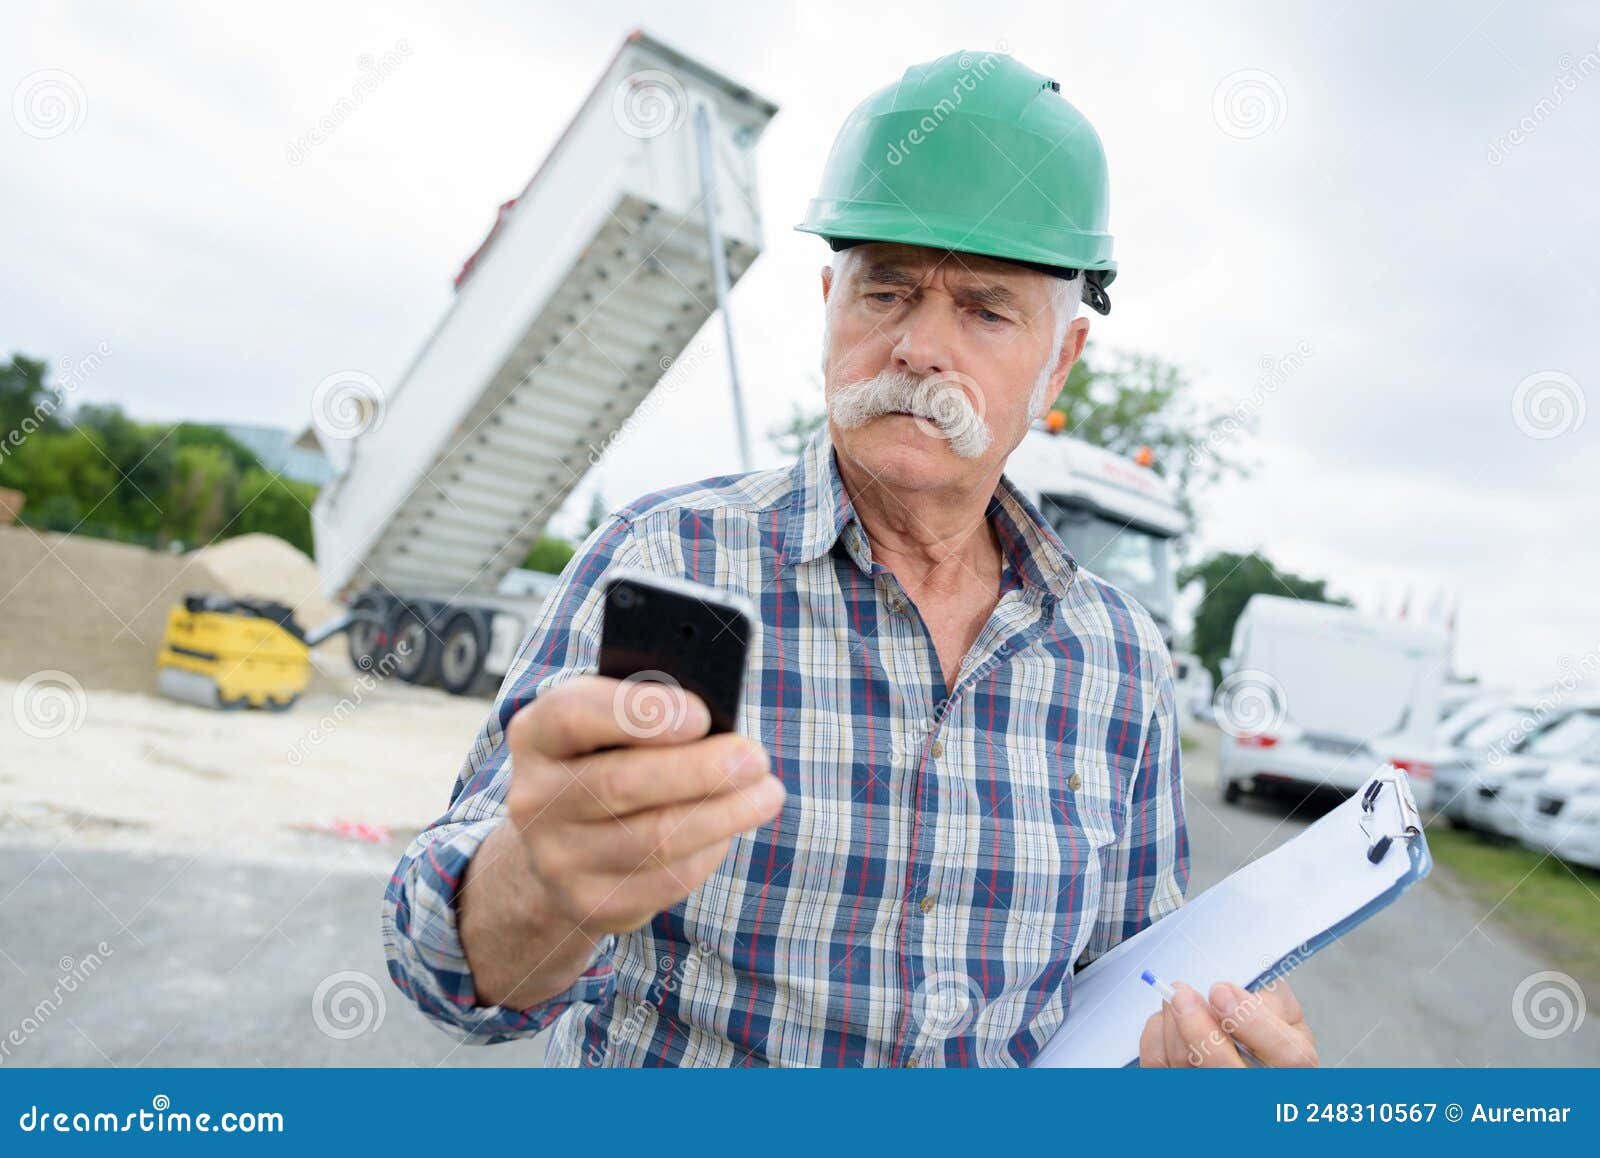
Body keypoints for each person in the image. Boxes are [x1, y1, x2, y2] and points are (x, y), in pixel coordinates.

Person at [382, 48, 1318, 1068]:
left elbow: (1126, 997)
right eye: (886, 293)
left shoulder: (1119, 659)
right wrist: (538, 884)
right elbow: (447, 972)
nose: (919, 346)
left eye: (985, 309)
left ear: (1060, 362)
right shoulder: (666, 560)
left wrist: (1198, 1060)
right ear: (829, 304)